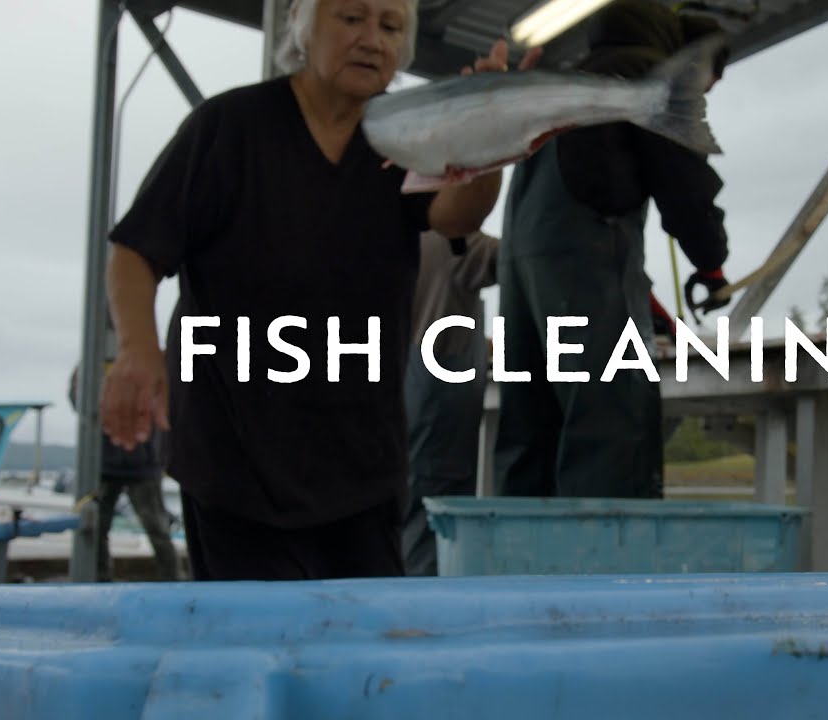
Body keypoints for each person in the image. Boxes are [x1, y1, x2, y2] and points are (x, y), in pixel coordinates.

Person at [99, 0, 538, 581]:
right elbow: (136, 250)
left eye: (390, 27)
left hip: (362, 461)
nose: (372, 40)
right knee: (248, 651)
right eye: (351, 19)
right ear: (302, 28)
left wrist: (486, 145)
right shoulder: (228, 127)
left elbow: (454, 214)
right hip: (234, 460)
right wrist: (136, 350)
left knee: (361, 656)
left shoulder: (402, 138)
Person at [493, 0, 732, 500]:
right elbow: (684, 185)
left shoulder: (573, 79)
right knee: (612, 431)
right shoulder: (648, 79)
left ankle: (522, 571)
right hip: (589, 255)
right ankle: (609, 570)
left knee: (532, 431)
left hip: (523, 270)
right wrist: (711, 261)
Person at [402, 229, 498, 576]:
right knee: (432, 545)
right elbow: (513, 260)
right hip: (434, 412)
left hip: (386, 407)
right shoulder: (455, 240)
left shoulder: (371, 231)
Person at [69, 365, 181, 582]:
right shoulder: (92, 363)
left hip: (143, 465)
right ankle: (99, 581)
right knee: (96, 529)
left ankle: (173, 581)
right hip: (104, 464)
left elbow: (165, 401)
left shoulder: (145, 356)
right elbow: (78, 401)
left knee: (158, 529)